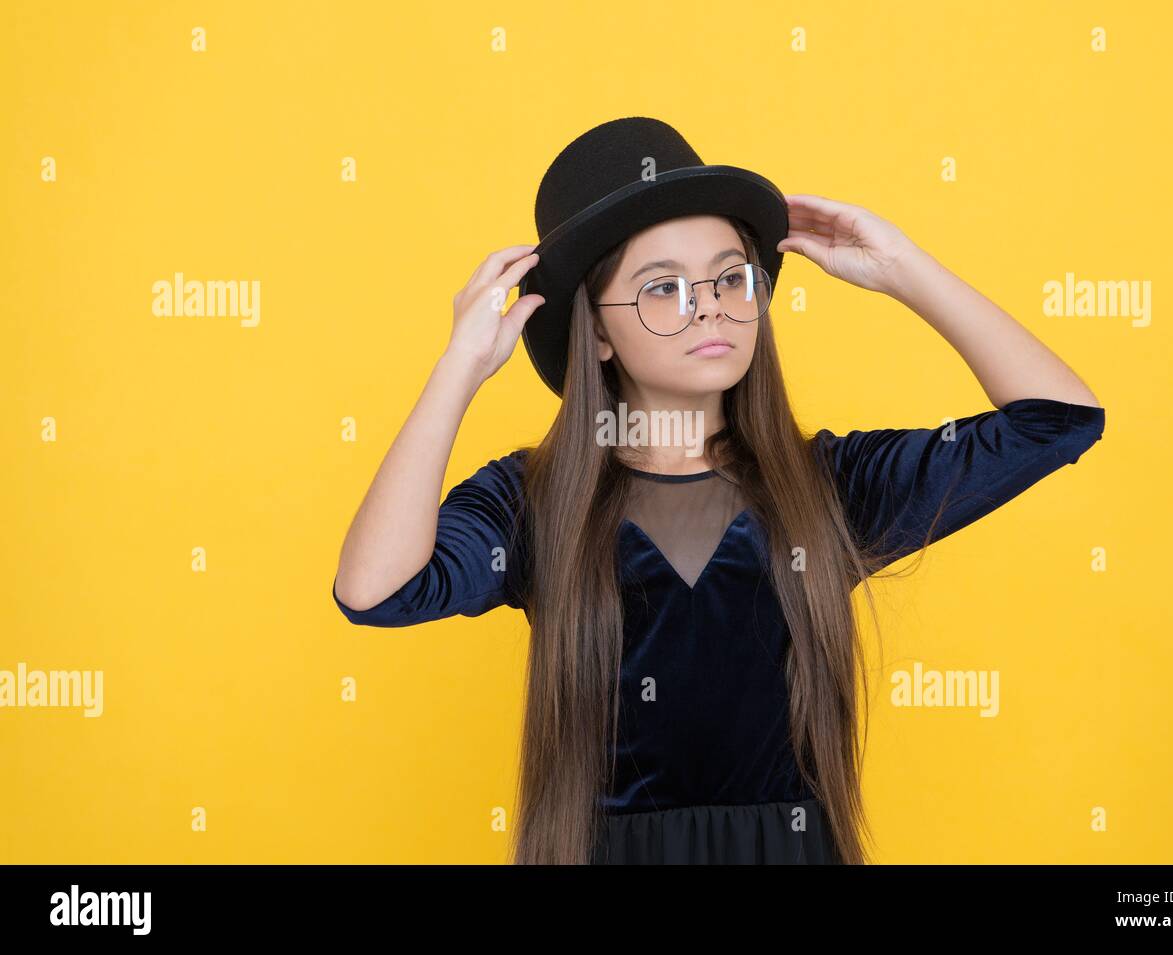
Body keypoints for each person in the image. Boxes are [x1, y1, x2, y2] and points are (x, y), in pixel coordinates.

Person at [331, 117, 1106, 864]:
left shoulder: (826, 488)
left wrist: (908, 271)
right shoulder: (533, 504)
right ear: (596, 333)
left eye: (730, 278)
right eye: (662, 289)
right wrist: (456, 372)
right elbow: (374, 588)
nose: (708, 306)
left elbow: (1059, 421)